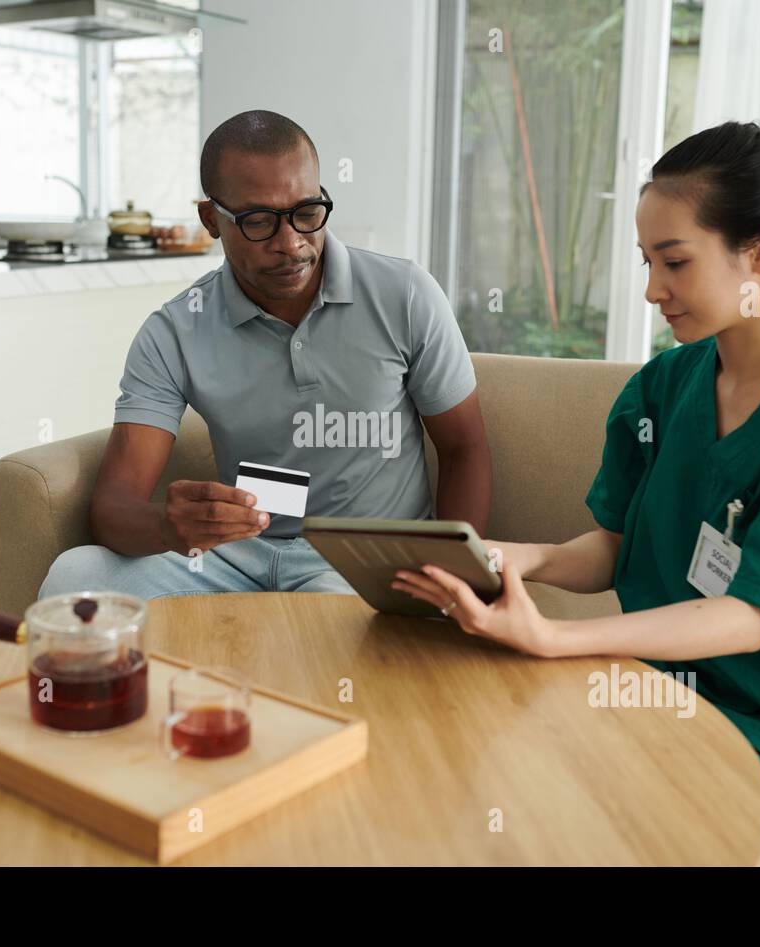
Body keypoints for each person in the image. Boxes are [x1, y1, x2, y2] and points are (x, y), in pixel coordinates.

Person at [393, 121, 760, 865]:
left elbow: (753, 617)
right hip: (675, 679)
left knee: (649, 829)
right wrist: (513, 559)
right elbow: (616, 549)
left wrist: (556, 640)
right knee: (493, 764)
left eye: (675, 262)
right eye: (647, 262)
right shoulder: (664, 385)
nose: (653, 290)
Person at [40, 109, 491, 600]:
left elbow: (464, 449)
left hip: (365, 557)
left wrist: (453, 578)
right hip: (235, 556)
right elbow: (112, 507)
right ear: (212, 220)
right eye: (259, 221)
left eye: (306, 212)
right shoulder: (175, 330)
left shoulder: (404, 294)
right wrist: (168, 527)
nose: (291, 243)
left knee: (326, 629)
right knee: (74, 579)